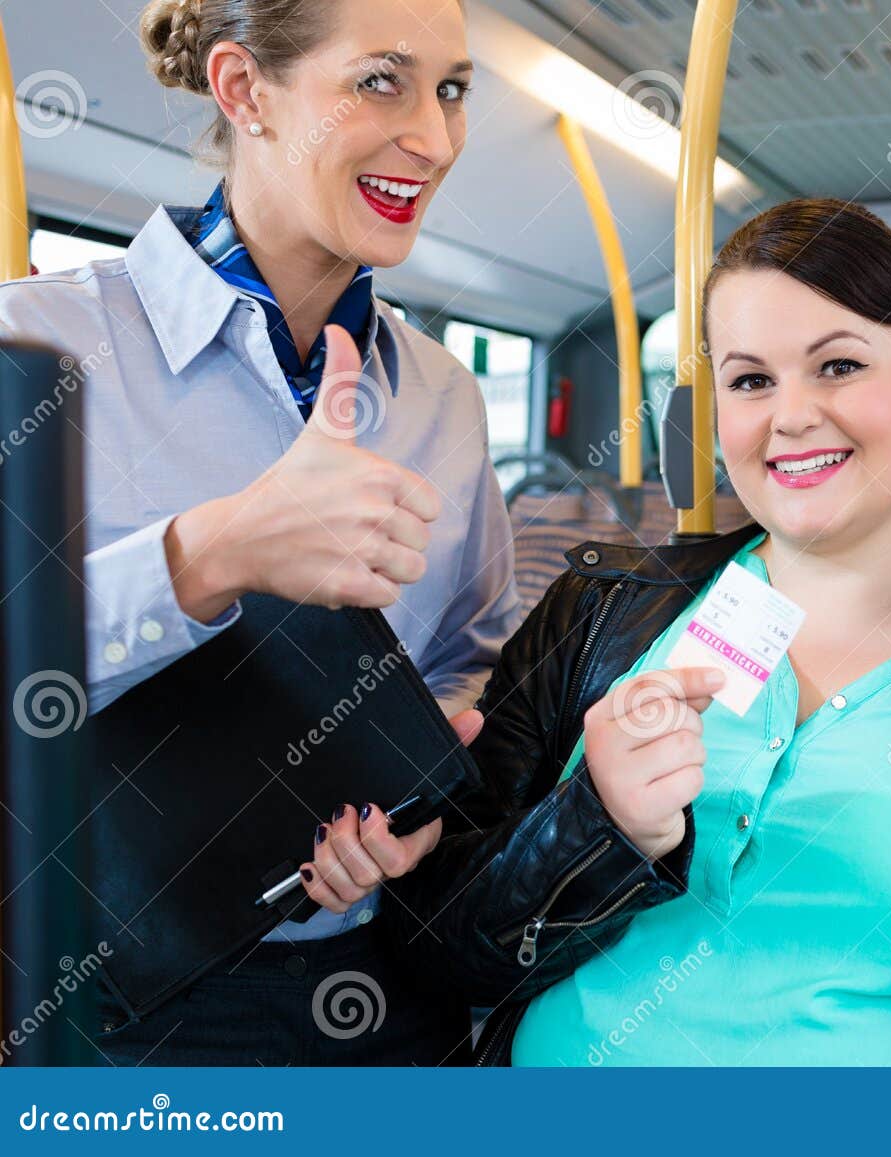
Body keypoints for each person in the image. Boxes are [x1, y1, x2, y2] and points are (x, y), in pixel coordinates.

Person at [391, 198, 891, 1066]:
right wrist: (596, 825)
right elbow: (434, 947)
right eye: (752, 380)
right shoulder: (599, 609)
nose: (790, 415)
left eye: (838, 365)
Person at [0, 0, 521, 1064]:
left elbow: (469, 663)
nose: (434, 135)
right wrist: (213, 551)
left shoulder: (442, 396)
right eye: (382, 80)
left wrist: (416, 812)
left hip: (383, 977)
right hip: (111, 1005)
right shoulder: (32, 346)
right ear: (244, 90)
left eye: (453, 88)